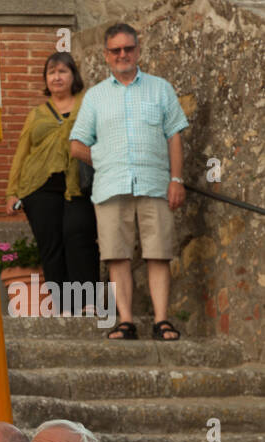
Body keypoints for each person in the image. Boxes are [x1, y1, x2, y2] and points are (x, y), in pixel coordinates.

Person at [70, 23, 189, 341]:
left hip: (154, 183)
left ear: (138, 50)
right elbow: (76, 143)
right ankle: (126, 321)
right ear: (106, 55)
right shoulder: (95, 97)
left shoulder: (161, 89)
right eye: (115, 50)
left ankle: (162, 321)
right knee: (116, 254)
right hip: (110, 187)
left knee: (159, 251)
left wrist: (176, 179)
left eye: (128, 48)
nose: (123, 54)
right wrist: (104, 159)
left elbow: (174, 135)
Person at [5, 52, 99, 315]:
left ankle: (88, 302)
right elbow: (22, 153)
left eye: (62, 71)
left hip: (78, 184)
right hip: (39, 187)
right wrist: (12, 192)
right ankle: (64, 306)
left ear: (73, 76)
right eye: (51, 72)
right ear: (46, 80)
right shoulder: (36, 114)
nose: (56, 77)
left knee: (79, 238)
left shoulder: (88, 103)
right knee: (51, 246)